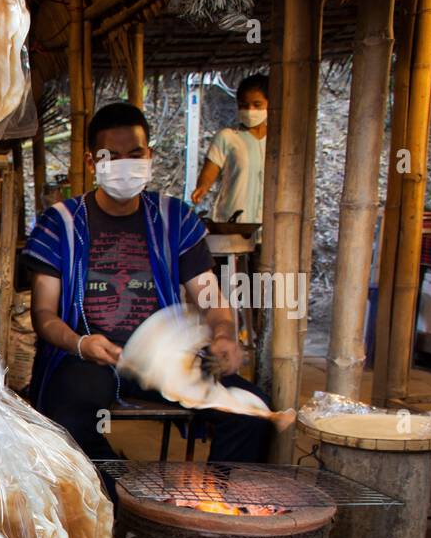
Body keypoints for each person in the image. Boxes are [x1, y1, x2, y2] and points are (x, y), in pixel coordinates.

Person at [23, 101, 270, 464]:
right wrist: (80, 343)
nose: (124, 164)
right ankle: (125, 499)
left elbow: (210, 297)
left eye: (134, 154)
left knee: (251, 415)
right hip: (87, 359)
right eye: (112, 155)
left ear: (150, 156)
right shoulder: (60, 223)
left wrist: (222, 335)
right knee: (68, 422)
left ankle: (220, 510)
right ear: (93, 162)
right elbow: (42, 314)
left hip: (167, 359)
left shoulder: (175, 219)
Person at [190, 74, 269, 224]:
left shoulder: (278, 143)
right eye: (244, 105)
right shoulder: (227, 137)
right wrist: (202, 187)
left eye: (257, 105)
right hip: (233, 221)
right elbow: (210, 171)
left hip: (269, 224)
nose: (250, 110)